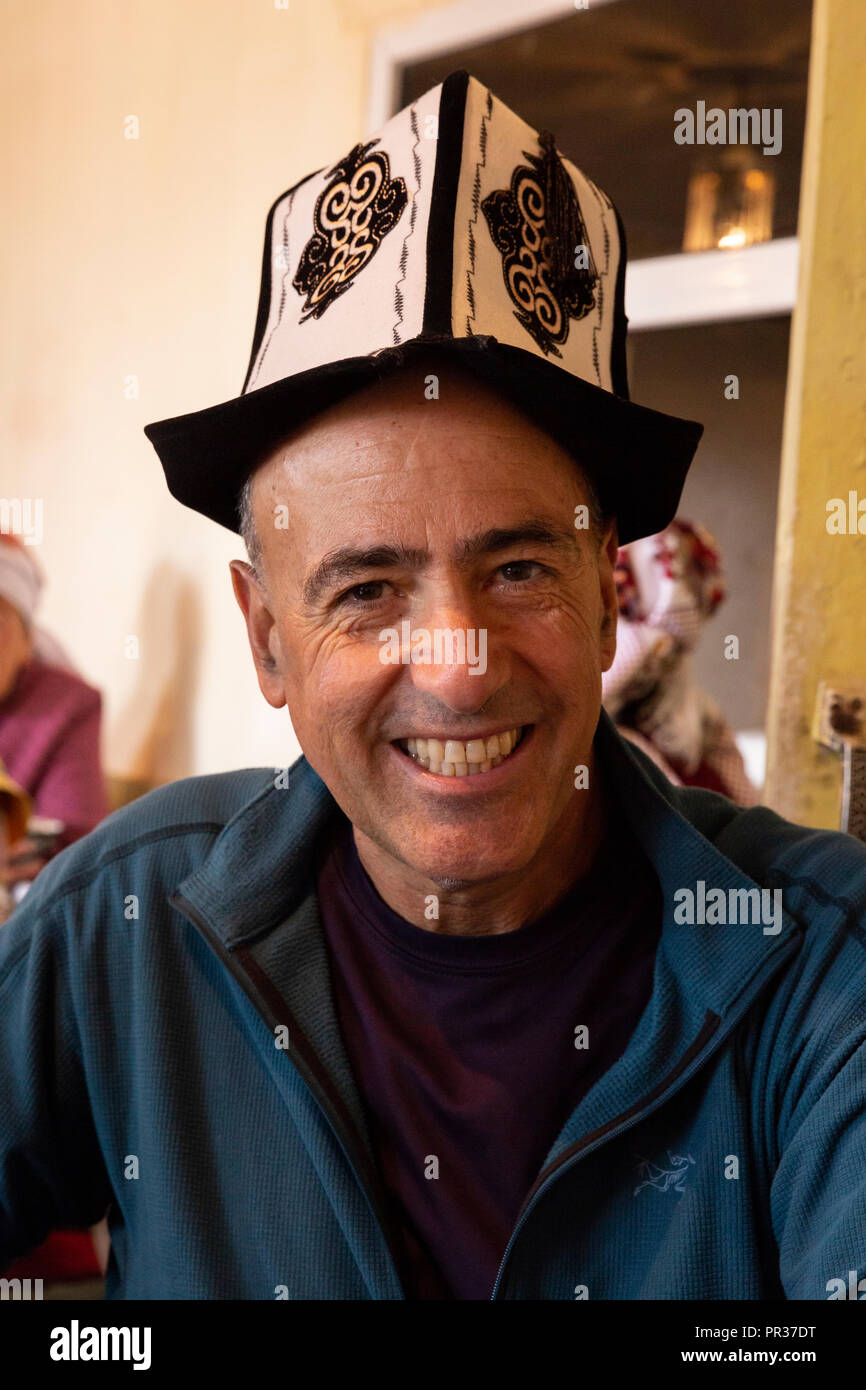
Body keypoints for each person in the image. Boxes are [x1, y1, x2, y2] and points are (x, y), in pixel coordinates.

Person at [1, 72, 865, 1301]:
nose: (455, 666)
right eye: (364, 589)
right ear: (265, 640)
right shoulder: (125, 921)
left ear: (608, 590)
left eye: (517, 568)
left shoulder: (817, 961)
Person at [602, 519, 759, 804]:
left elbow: (753, 817)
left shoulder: (701, 721)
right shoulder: (603, 742)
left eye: (668, 648)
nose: (648, 665)